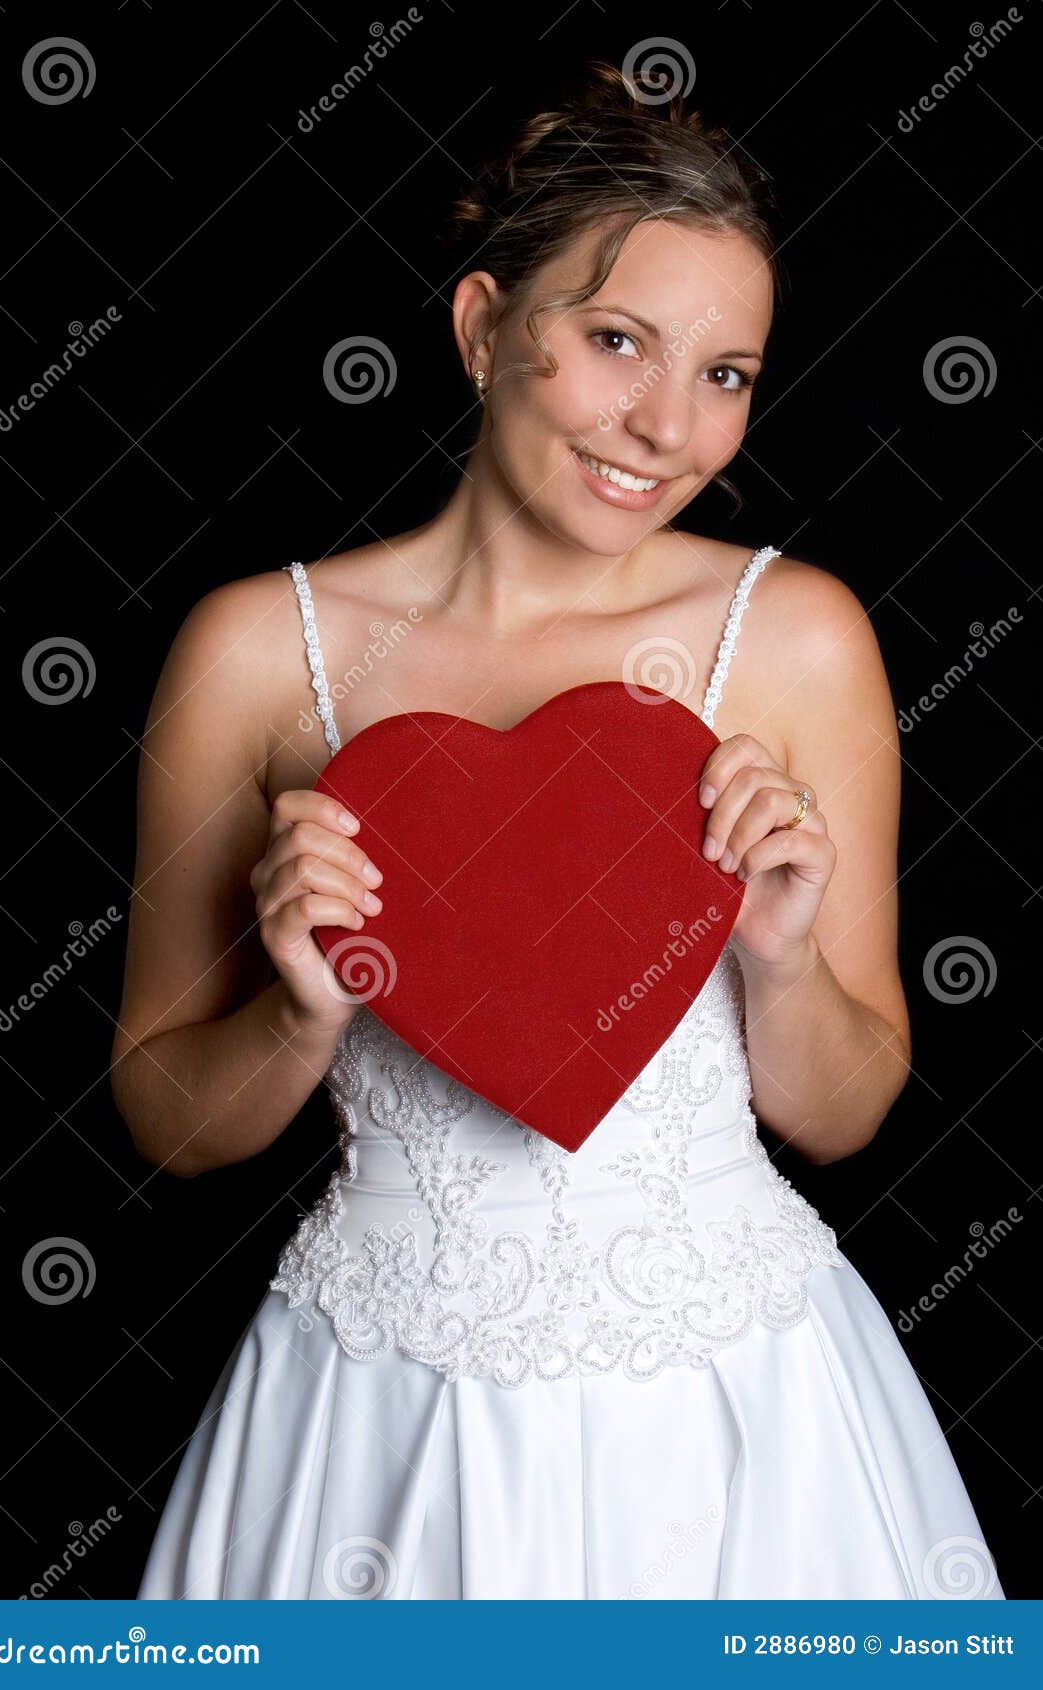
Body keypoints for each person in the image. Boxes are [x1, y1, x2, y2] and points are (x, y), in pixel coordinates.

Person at [117, 60, 1005, 1599]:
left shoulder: (795, 636)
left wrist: (783, 963)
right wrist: (300, 1009)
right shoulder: (259, 653)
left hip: (740, 1410)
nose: (667, 426)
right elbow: (164, 1116)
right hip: (380, 1411)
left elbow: (849, 1110)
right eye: (617, 344)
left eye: (726, 374)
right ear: (480, 329)